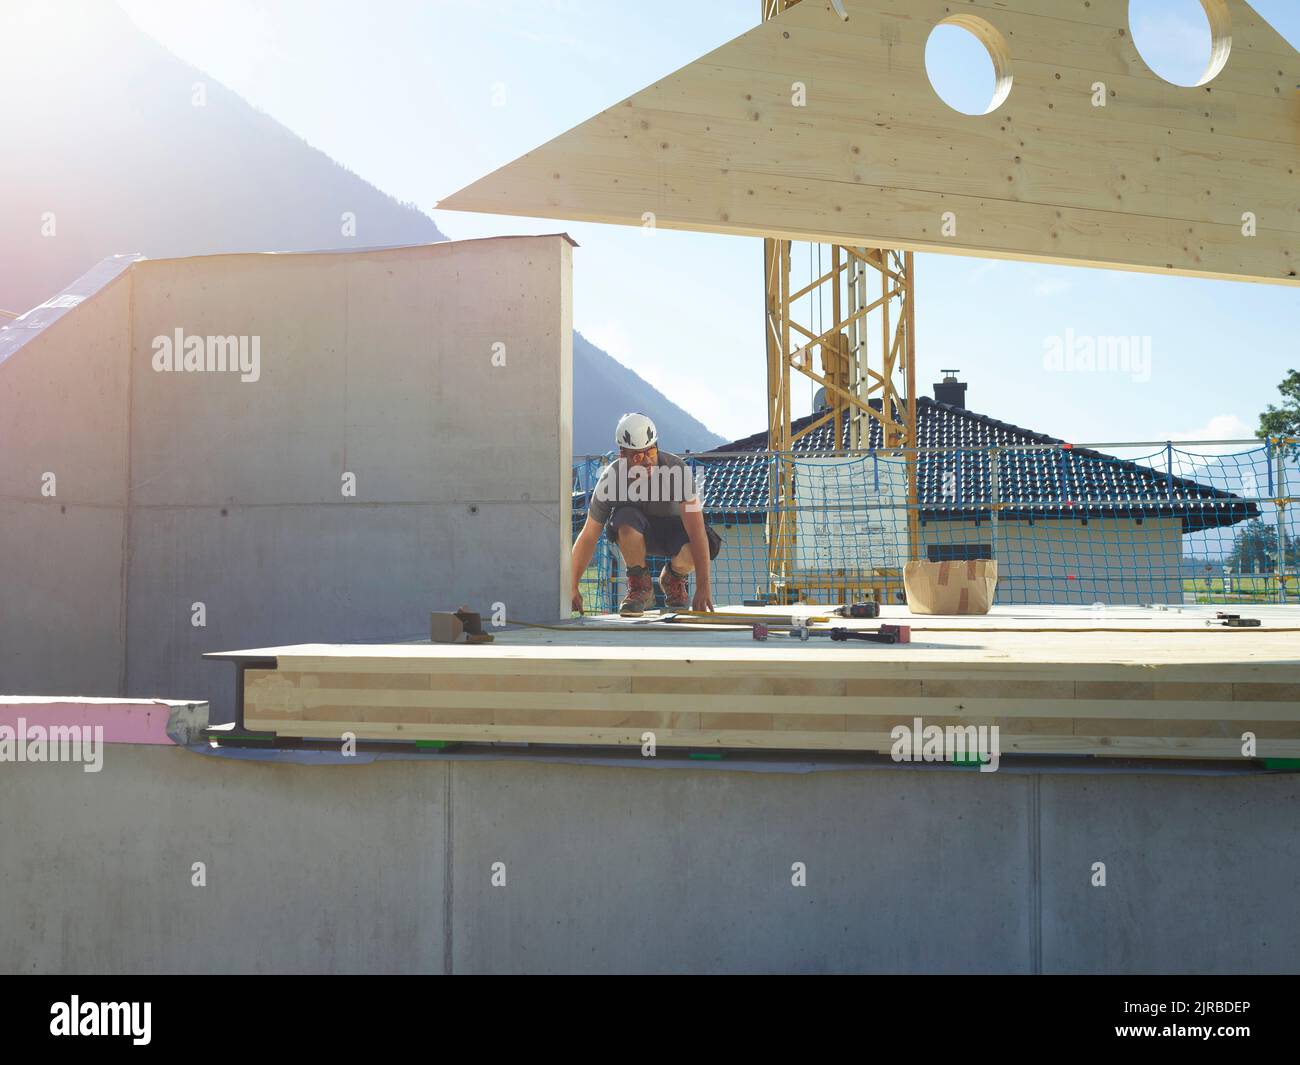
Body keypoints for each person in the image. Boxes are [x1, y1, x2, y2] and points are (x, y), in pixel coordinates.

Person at [571, 412, 721, 616]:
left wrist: (704, 587)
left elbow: (696, 532)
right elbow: (588, 535)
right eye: (639, 456)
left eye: (650, 453)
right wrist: (571, 585)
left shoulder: (677, 469)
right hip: (636, 532)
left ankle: (673, 578)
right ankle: (640, 586)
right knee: (624, 518)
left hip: (674, 532)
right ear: (623, 455)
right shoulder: (610, 480)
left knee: (705, 543)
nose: (647, 462)